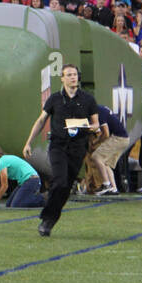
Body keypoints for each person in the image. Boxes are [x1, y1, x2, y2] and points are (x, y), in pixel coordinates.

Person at [22, 61, 99, 235]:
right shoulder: (55, 99)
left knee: (66, 187)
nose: (73, 77)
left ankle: (50, 219)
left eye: (75, 74)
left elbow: (96, 124)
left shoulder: (88, 99)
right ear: (62, 78)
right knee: (59, 181)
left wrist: (88, 126)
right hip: (58, 145)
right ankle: (47, 219)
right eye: (69, 75)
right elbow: (41, 120)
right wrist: (29, 142)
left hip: (78, 147)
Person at [0, 142, 44, 208]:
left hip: (32, 180)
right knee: (9, 205)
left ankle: (44, 198)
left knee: (16, 205)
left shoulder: (2, 162)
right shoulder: (1, 163)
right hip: (24, 182)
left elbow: (5, 186)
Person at [91, 104, 131, 195]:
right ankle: (113, 188)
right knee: (105, 163)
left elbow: (106, 133)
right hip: (124, 138)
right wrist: (97, 141)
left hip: (118, 138)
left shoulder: (97, 112)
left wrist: (97, 141)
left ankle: (106, 185)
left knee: (96, 157)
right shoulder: (101, 108)